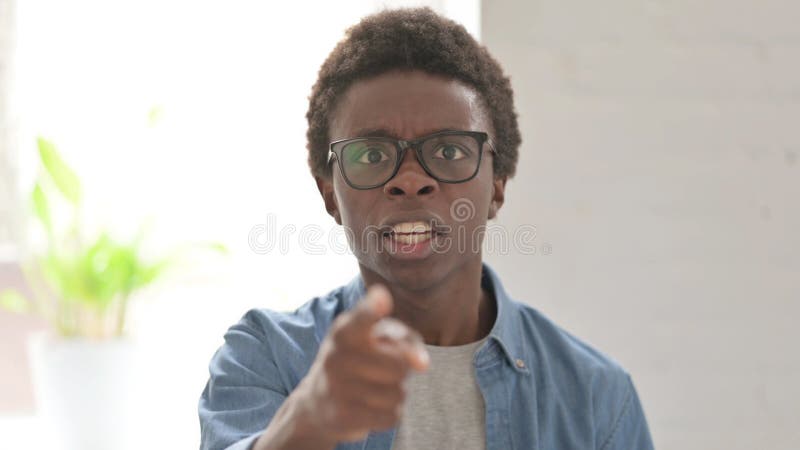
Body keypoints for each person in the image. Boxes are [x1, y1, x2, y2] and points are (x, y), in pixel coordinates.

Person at [198, 7, 654, 450]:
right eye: (372, 155)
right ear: (330, 193)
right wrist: (306, 423)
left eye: (450, 151)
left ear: (497, 185)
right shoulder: (265, 356)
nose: (410, 180)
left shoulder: (597, 398)